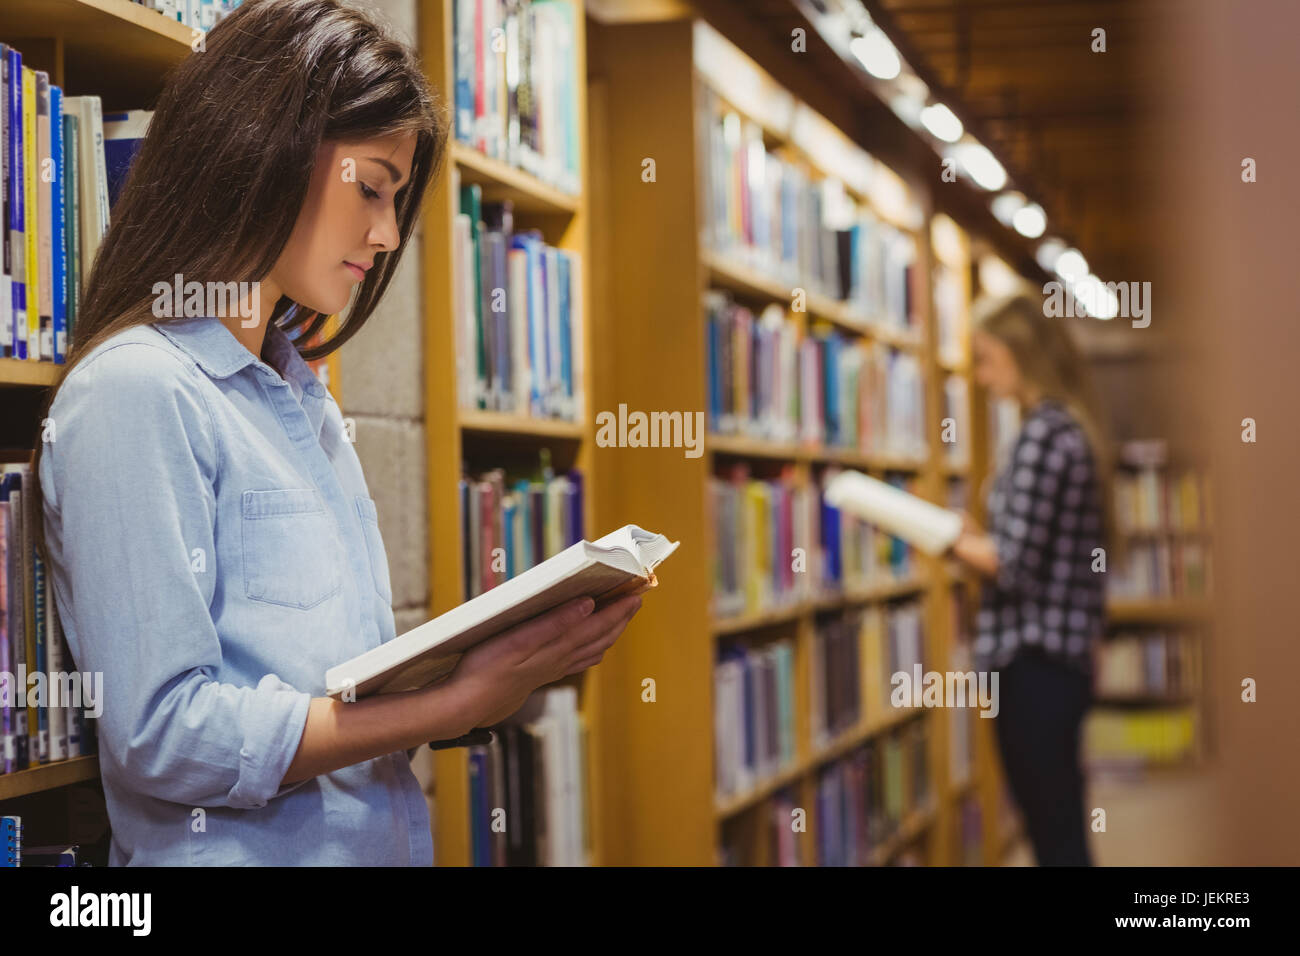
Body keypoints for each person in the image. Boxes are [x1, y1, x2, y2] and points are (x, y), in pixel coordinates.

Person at [31, 0, 641, 866]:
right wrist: (452, 704)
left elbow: (323, 699)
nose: (387, 235)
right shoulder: (136, 391)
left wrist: (478, 670)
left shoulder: (300, 399)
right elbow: (163, 732)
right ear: (261, 145)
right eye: (371, 187)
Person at [950, 289, 1116, 866]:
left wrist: (950, 541)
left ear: (1022, 353)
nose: (979, 375)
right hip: (1051, 660)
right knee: (1058, 823)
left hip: (1034, 661)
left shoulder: (1044, 433)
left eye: (987, 357)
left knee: (1056, 831)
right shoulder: (1060, 426)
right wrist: (974, 538)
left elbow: (1015, 563)